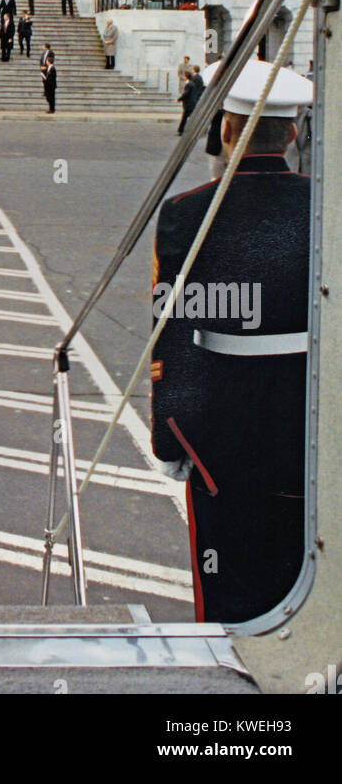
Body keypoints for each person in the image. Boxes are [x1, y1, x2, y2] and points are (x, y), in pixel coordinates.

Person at [150, 61, 313, 625]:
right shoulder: (329, 209)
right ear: (292, 133)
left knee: (230, 595)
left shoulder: (186, 212)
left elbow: (171, 330)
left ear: (225, 128)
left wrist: (171, 434)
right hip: (315, 430)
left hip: (223, 437)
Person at [176, 66, 204, 136]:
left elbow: (186, 93)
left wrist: (179, 99)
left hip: (189, 103)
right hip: (194, 99)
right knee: (191, 117)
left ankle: (181, 130)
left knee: (185, 117)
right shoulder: (200, 78)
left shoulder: (190, 83)